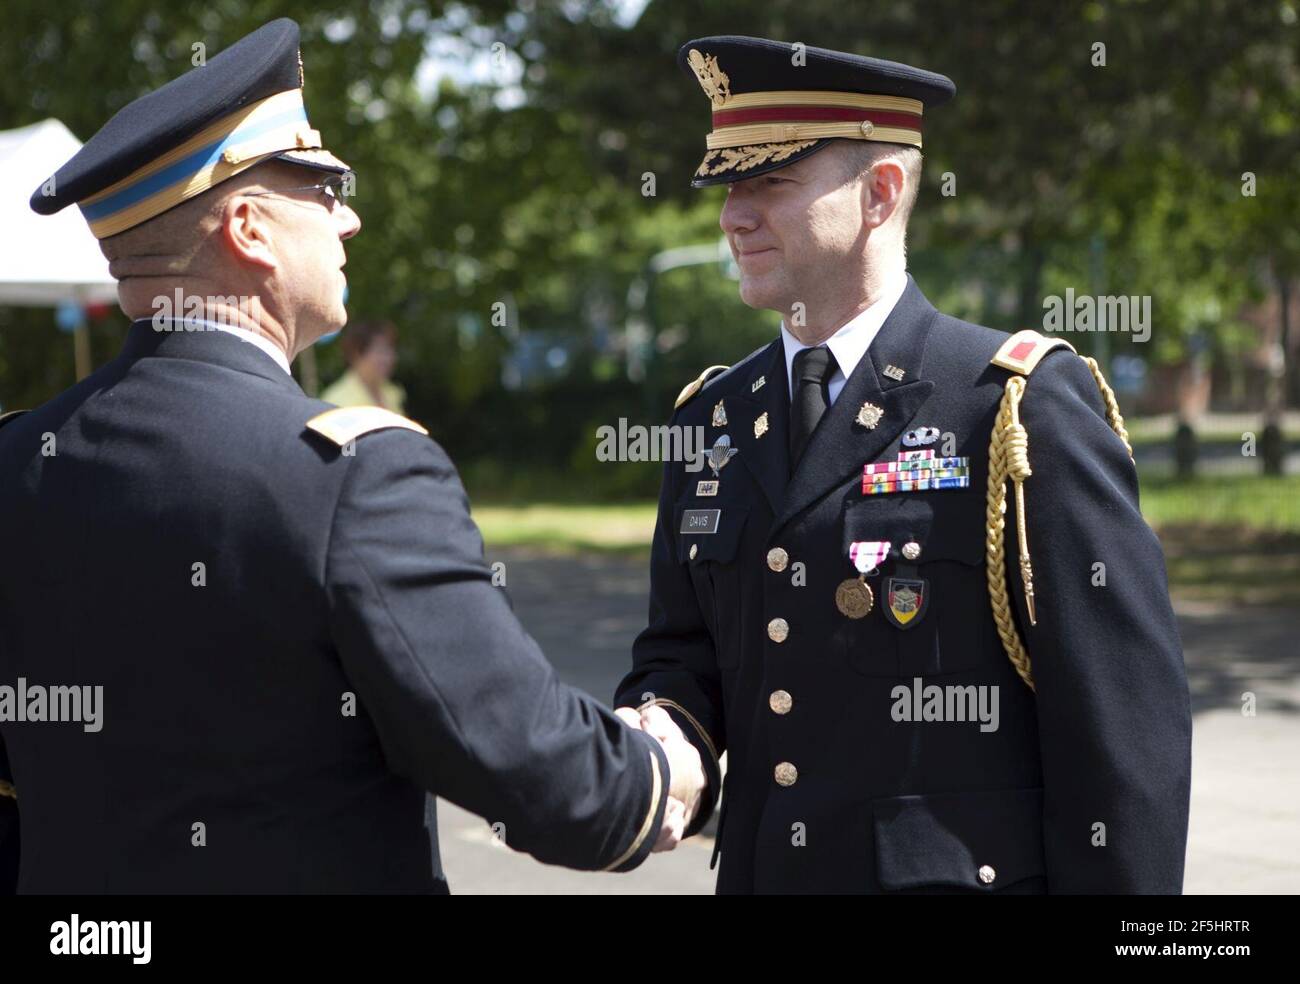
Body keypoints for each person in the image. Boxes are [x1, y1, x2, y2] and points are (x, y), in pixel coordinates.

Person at [0, 17, 703, 894]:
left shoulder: (19, 459)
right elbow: (549, 781)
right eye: (325, 186)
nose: (351, 217)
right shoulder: (352, 475)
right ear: (249, 228)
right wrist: (662, 768)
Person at [616, 36, 1192, 894]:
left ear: (880, 194)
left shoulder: (1014, 407)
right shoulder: (713, 418)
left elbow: (1125, 735)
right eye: (726, 187)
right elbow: (680, 653)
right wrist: (668, 735)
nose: (734, 216)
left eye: (769, 181)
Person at [320, 320, 407, 413]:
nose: (389, 358)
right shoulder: (335, 400)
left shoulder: (393, 392)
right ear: (356, 353)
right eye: (380, 351)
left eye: (390, 350)